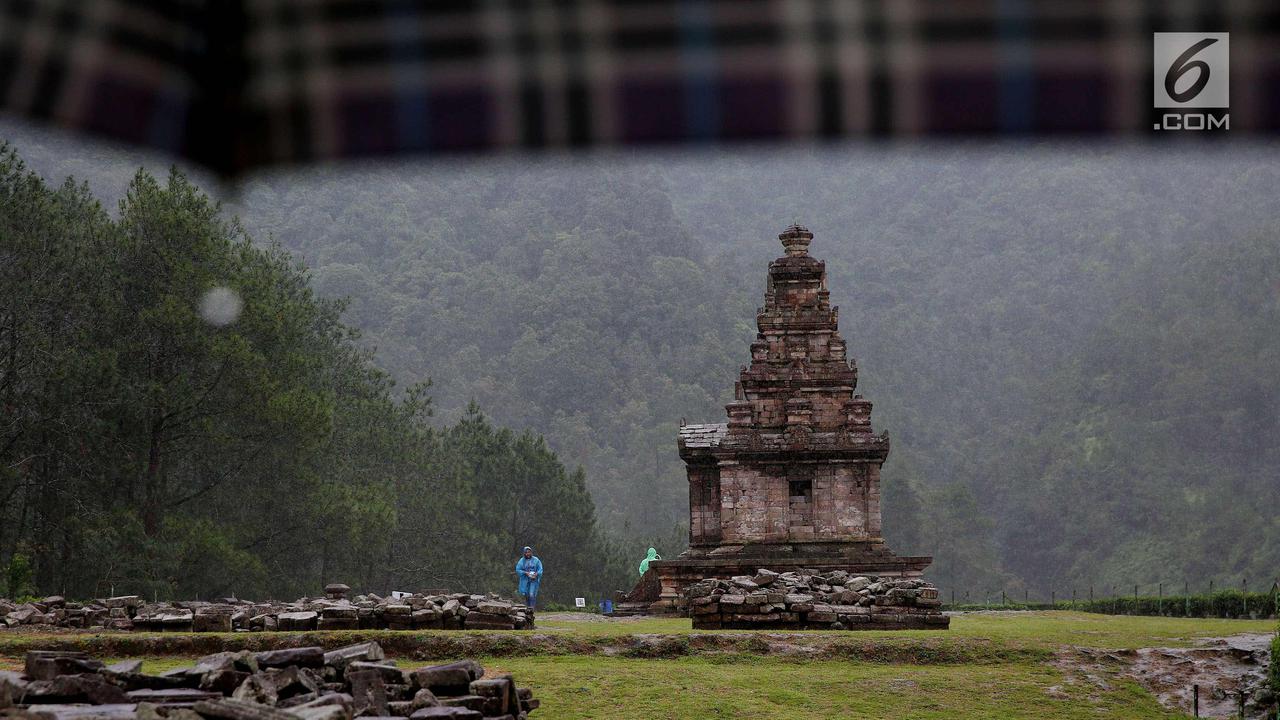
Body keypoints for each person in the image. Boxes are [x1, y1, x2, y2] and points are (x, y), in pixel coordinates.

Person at [515, 546, 543, 610]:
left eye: (529, 552)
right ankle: (528, 608)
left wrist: (536, 574)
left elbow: (540, 569)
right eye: (526, 552)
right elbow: (518, 569)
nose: (528, 554)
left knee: (531, 594)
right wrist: (525, 573)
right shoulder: (522, 561)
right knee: (526, 594)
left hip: (533, 580)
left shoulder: (536, 560)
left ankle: (532, 608)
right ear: (524, 553)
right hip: (525, 581)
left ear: (531, 552)